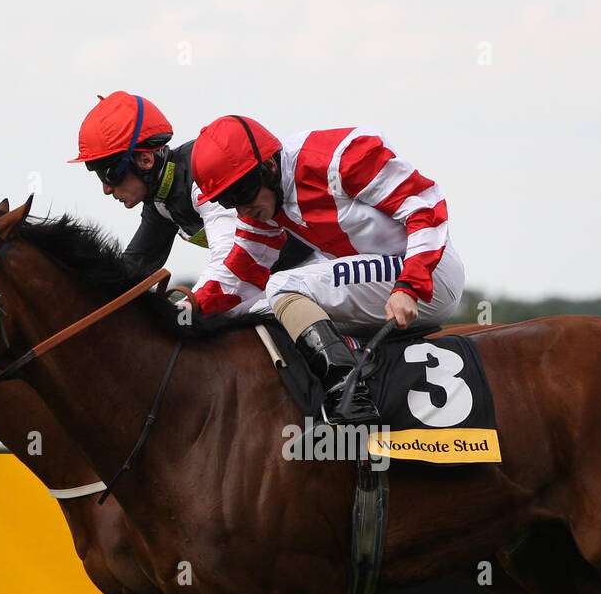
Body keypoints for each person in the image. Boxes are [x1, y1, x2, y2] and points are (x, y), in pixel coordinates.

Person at [190, 115, 464, 425]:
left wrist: (409, 286)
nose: (240, 209)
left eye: (240, 194)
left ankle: (349, 393)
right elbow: (241, 274)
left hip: (426, 276)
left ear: (268, 168)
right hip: (383, 287)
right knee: (259, 314)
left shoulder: (341, 157)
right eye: (227, 201)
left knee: (283, 286)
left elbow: (426, 206)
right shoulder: (264, 202)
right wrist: (189, 307)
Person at [69, 92, 311, 287]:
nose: (106, 189)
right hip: (274, 280)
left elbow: (228, 262)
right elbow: (129, 272)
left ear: (145, 160)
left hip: (313, 266)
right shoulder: (160, 202)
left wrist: (190, 306)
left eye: (109, 173)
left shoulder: (203, 177)